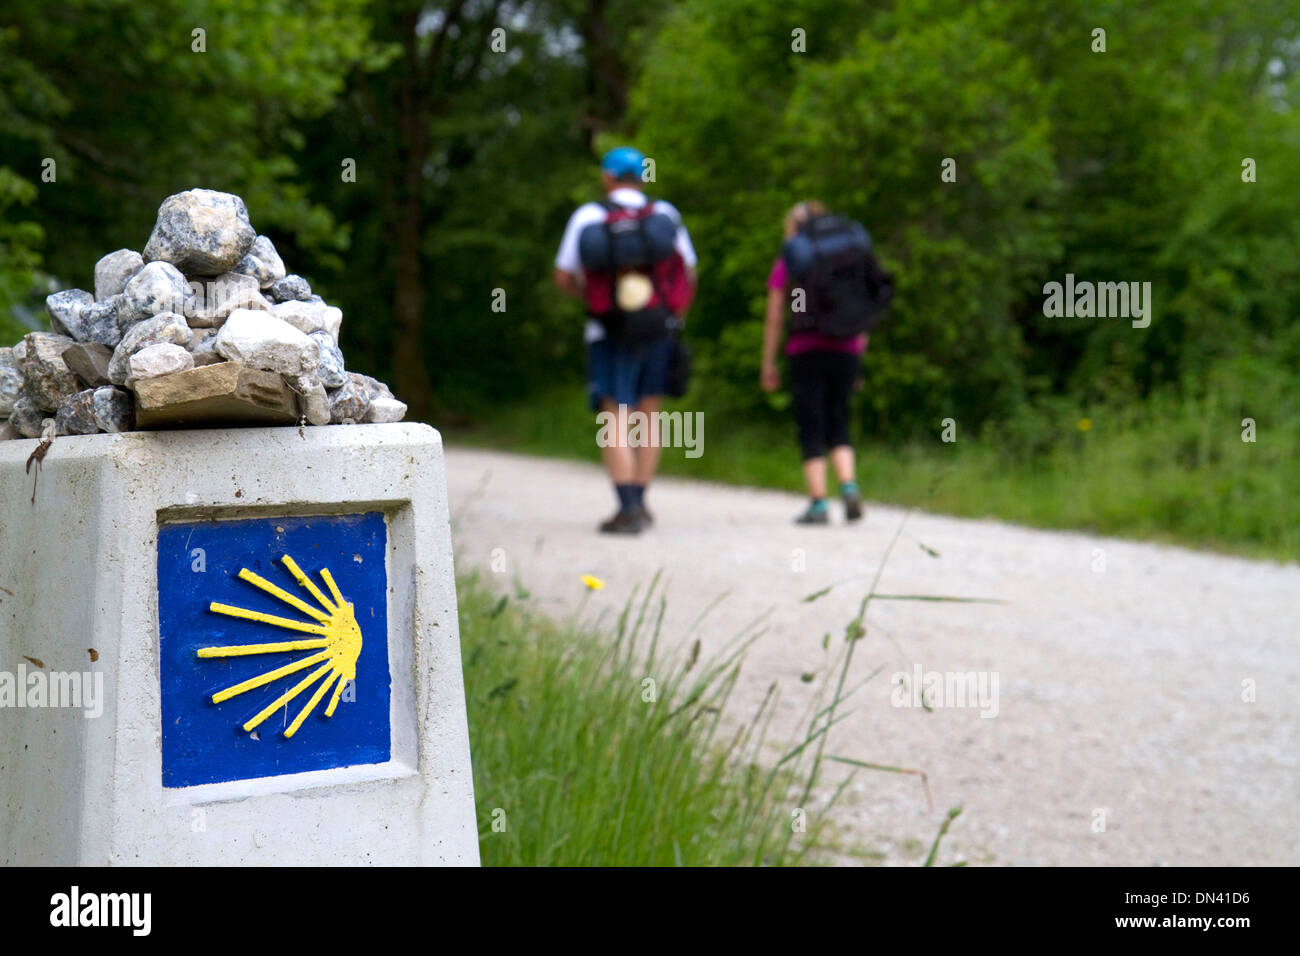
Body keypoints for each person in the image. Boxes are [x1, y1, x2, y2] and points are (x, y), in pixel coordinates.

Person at [554, 146, 697, 534]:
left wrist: (594, 301)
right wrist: (671, 318)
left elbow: (564, 276)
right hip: (659, 330)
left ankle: (628, 507)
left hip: (608, 330)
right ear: (642, 175)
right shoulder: (665, 214)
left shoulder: (589, 215)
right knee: (648, 414)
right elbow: (689, 273)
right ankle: (640, 501)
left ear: (607, 176)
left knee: (614, 414)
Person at [760, 201, 893, 524]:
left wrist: (768, 362)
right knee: (839, 419)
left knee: (811, 422)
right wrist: (858, 356)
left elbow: (776, 312)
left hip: (805, 347)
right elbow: (865, 307)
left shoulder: (793, 256)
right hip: (848, 347)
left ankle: (819, 503)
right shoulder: (851, 254)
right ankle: (848, 485)